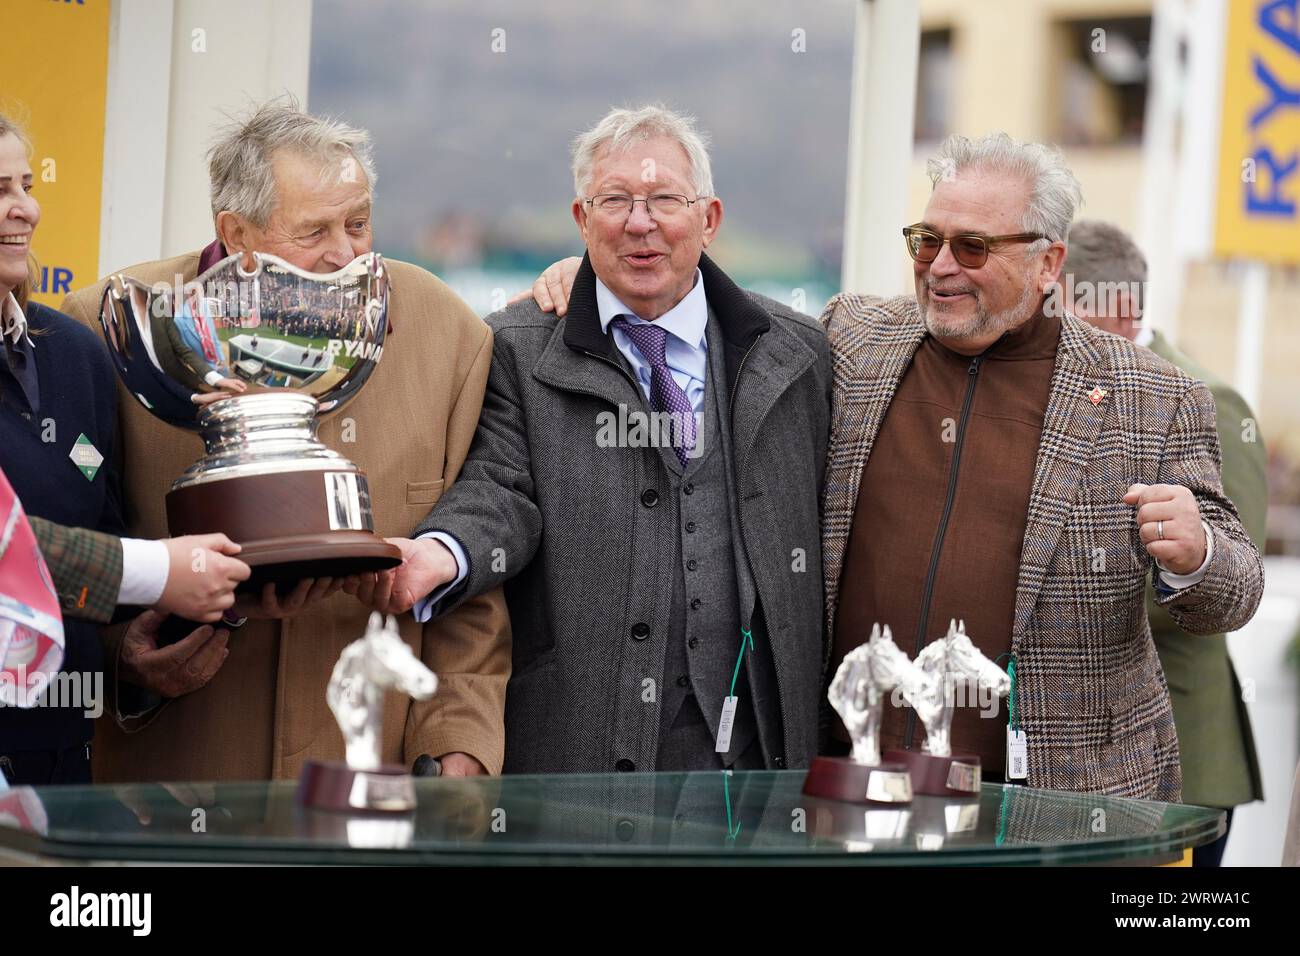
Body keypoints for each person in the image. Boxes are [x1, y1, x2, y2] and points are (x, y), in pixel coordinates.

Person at [524, 132, 1264, 801]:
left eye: (972, 247)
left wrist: (1197, 555)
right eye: (925, 241)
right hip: (845, 792)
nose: (940, 267)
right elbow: (704, 314)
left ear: (1049, 264)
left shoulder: (1152, 394)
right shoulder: (851, 339)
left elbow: (1235, 591)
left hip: (1058, 801)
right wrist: (598, 276)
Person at [352, 105, 832, 775]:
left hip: (751, 762)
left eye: (665, 199)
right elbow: (498, 489)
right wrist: (440, 554)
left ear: (709, 219)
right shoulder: (515, 348)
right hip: (577, 746)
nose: (641, 223)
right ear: (582, 220)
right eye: (615, 201)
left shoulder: (798, 356)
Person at [60, 98, 510, 782]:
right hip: (179, 781)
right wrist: (125, 658)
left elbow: (469, 579)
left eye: (359, 223)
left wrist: (461, 746)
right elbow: (63, 543)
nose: (346, 253)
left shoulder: (451, 335)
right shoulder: (112, 326)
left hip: (374, 775)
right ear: (235, 231)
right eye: (315, 231)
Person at [0, 111, 241, 784]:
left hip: (62, 775)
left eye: (25, 183)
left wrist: (131, 656)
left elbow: (100, 535)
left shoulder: (75, 353)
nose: (26, 209)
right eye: (0, 190)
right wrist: (161, 571)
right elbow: (8, 545)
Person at [1064, 219, 1265, 858]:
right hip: (1084, 760)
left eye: (1064, 313)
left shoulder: (1208, 400)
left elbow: (1235, 572)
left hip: (1184, 761)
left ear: (1121, 309)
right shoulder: (1073, 389)